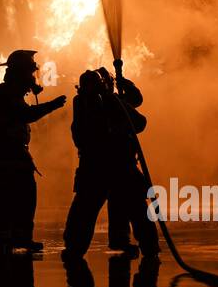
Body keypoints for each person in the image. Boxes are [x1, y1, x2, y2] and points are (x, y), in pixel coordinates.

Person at [61, 68, 160, 261]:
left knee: (84, 211)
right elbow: (140, 122)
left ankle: (75, 248)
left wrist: (123, 86)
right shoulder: (110, 102)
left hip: (93, 168)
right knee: (137, 211)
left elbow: (134, 101)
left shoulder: (81, 103)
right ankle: (149, 249)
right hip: (118, 167)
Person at [0, 50, 66, 254]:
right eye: (30, 72)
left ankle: (17, 239)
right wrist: (53, 105)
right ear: (19, 73)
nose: (33, 77)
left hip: (12, 155)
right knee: (13, 197)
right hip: (7, 155)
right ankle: (7, 240)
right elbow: (26, 115)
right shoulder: (6, 96)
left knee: (21, 196)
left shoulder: (10, 94)